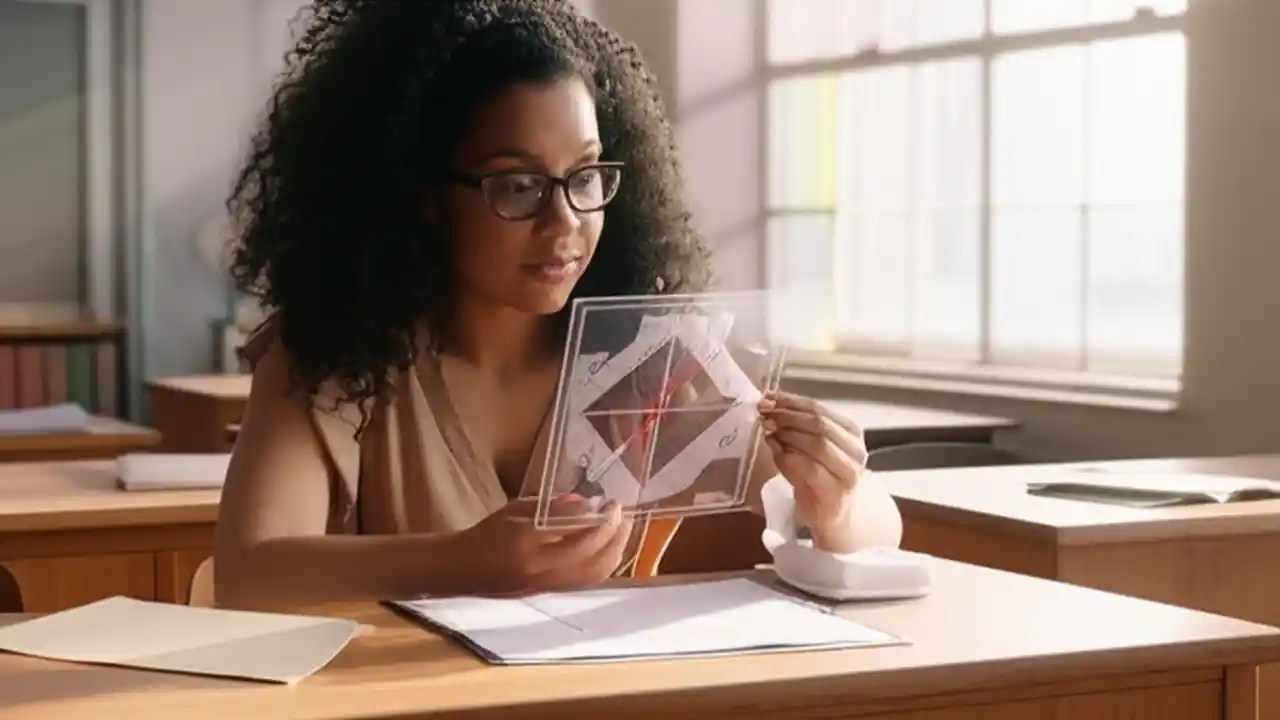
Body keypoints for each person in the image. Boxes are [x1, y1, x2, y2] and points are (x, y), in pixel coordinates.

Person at [214, 0, 902, 610]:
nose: (565, 221)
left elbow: (878, 528)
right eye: (517, 185)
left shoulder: (650, 355)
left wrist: (838, 500)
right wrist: (464, 561)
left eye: (586, 175)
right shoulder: (337, 349)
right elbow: (249, 572)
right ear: (420, 191)